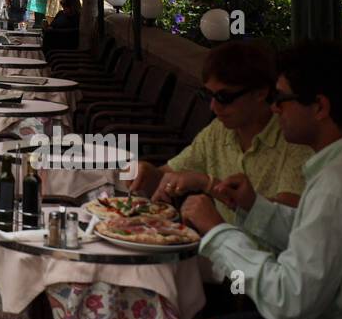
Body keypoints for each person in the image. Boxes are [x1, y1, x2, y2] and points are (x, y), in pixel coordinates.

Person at [182, 41, 342, 319]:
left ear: (320, 107)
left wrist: (217, 232)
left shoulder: (341, 184)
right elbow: (318, 236)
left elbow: (288, 301)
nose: (274, 109)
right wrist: (253, 207)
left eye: (281, 98)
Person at [131, 40, 311, 225]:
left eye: (224, 97)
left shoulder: (294, 140)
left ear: (260, 93)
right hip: (219, 248)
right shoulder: (219, 131)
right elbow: (168, 177)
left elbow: (287, 222)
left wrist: (208, 184)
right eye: (208, 95)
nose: (213, 106)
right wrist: (147, 172)